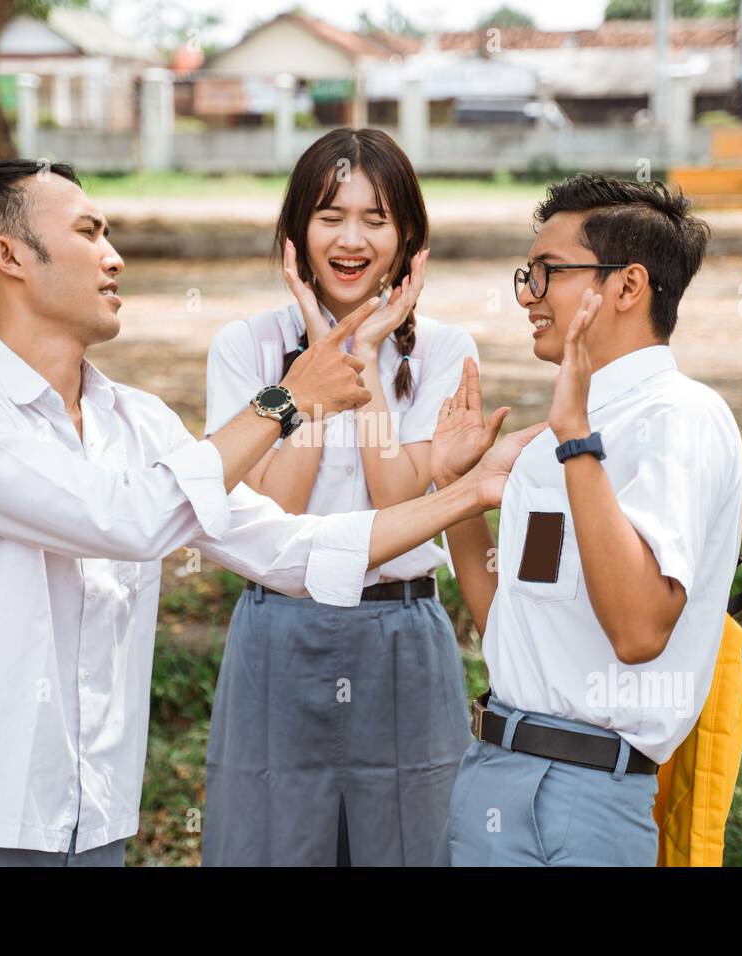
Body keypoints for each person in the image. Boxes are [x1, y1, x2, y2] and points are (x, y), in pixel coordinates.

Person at [0, 158, 540, 867]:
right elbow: (127, 520)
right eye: (88, 233)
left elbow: (290, 550)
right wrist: (287, 402)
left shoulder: (138, 421)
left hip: (93, 823)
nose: (115, 257)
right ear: (8, 257)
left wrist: (468, 493)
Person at [427, 175, 742, 866]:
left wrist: (577, 444)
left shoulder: (680, 419)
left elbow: (637, 631)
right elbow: (511, 628)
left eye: (549, 273)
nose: (527, 295)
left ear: (627, 287)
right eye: (527, 274)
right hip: (493, 771)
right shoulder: (551, 446)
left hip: (590, 793)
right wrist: (456, 487)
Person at [201, 128, 478, 866]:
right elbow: (278, 513)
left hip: (401, 633)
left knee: (413, 845)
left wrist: (369, 355)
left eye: (375, 219)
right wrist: (317, 372)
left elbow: (397, 498)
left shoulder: (445, 351)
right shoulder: (246, 347)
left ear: (408, 237)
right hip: (279, 630)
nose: (351, 238)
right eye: (330, 216)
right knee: (269, 844)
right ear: (296, 233)